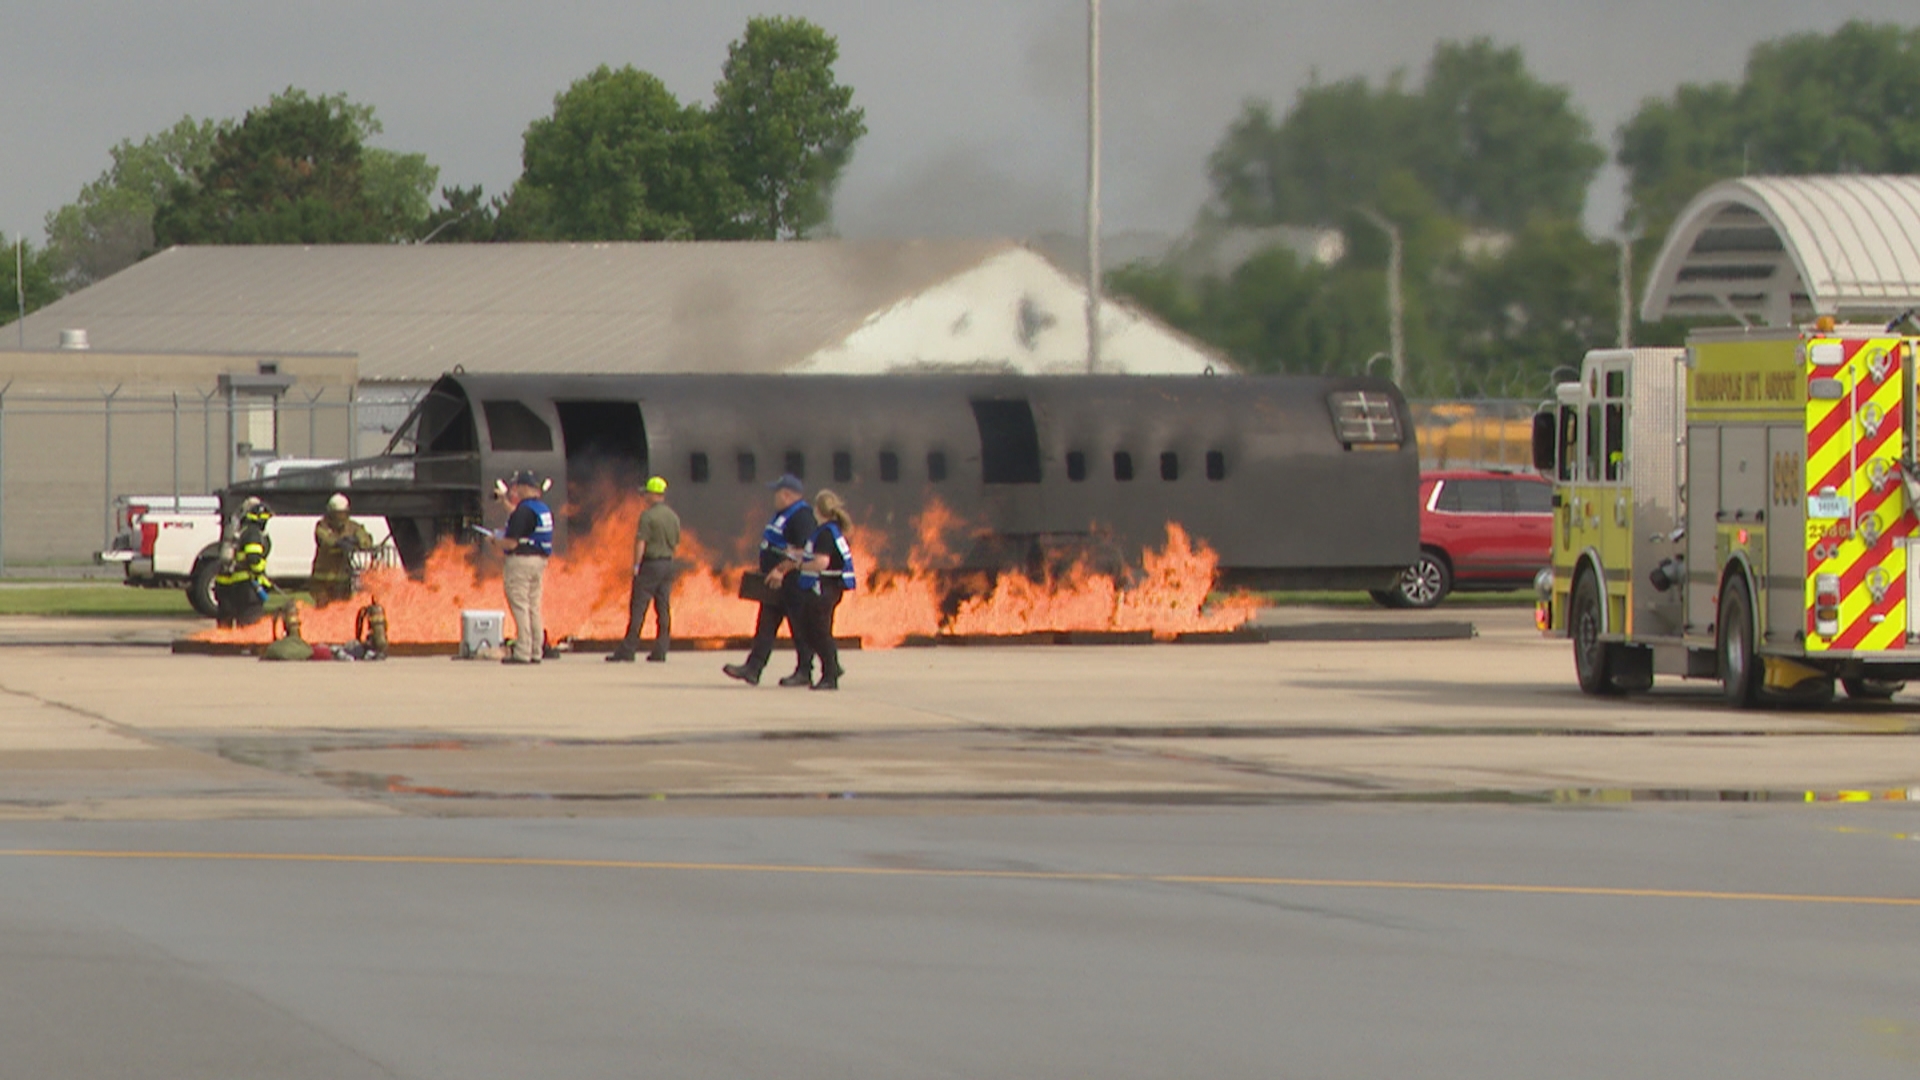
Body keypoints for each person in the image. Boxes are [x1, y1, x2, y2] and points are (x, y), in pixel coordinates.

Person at [723, 474, 817, 687]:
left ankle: (805, 671)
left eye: (776, 492)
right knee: (765, 626)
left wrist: (781, 570)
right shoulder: (783, 514)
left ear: (787, 494)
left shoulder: (801, 516)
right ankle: (753, 668)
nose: (773, 497)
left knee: (799, 628)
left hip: (792, 583)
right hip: (775, 584)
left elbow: (803, 551)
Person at [608, 476, 680, 663]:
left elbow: (641, 542)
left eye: (646, 493)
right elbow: (676, 542)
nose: (645, 496)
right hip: (668, 564)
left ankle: (628, 649)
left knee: (638, 607)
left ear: (652, 494)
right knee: (663, 608)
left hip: (651, 564)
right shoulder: (673, 516)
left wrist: (636, 565)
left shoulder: (647, 516)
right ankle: (661, 649)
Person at [795, 489, 857, 690]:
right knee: (813, 629)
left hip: (824, 588)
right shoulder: (832, 531)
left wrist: (800, 566)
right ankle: (833, 667)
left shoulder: (825, 534)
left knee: (818, 632)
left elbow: (822, 562)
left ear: (819, 510)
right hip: (831, 588)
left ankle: (830, 675)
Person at [491, 470, 553, 665]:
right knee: (534, 607)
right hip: (539, 562)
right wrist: (503, 502)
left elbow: (511, 543)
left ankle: (522, 651)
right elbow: (520, 518)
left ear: (526, 488)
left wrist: (494, 541)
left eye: (518, 487)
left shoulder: (524, 511)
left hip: (521, 563)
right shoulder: (540, 509)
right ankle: (536, 650)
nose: (515, 490)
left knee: (520, 606)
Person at [213, 498, 274, 627]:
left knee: (225, 628)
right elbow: (253, 558)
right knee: (249, 626)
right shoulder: (253, 533)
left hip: (227, 587)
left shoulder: (238, 531)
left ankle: (225, 647)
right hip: (247, 589)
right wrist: (260, 572)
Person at [310, 492, 374, 606]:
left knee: (343, 611)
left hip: (343, 580)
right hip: (322, 580)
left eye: (342, 514)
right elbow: (326, 539)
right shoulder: (322, 526)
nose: (340, 518)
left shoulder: (352, 526)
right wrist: (340, 542)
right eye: (337, 514)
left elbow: (366, 541)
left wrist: (357, 540)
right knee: (322, 612)